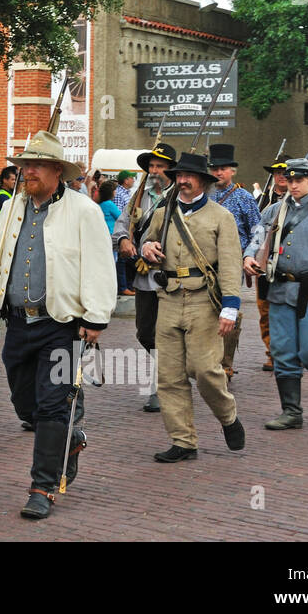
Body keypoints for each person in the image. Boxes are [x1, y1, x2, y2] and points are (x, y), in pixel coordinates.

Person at [0, 131, 113, 520]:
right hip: (17, 323)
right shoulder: (14, 208)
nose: (26, 171)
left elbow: (100, 267)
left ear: (57, 170)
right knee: (26, 405)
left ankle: (43, 487)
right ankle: (71, 438)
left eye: (34, 165)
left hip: (63, 325)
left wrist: (96, 317)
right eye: (23, 165)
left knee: (52, 407)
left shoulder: (84, 210)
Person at [139, 150, 246, 462]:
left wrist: (230, 307)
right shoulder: (163, 212)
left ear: (202, 181)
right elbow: (148, 242)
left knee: (204, 370)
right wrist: (147, 247)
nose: (181, 181)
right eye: (178, 176)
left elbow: (229, 264)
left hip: (203, 300)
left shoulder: (220, 217)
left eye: (188, 176)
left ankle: (227, 415)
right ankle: (183, 440)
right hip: (169, 298)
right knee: (169, 377)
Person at [243, 158, 308, 430]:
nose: (293, 185)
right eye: (290, 180)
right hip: (279, 290)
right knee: (283, 351)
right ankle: (291, 412)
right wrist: (248, 257)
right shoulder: (274, 211)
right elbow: (256, 239)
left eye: (299, 180)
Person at [113, 142, 177, 412]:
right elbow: (121, 224)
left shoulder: (180, 195)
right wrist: (125, 239)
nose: (154, 171)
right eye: (151, 166)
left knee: (167, 334)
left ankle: (161, 387)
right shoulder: (139, 195)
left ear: (171, 170)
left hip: (172, 276)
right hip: (144, 275)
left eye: (160, 166)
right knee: (145, 332)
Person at [208, 143, 261, 379]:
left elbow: (257, 231)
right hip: (201, 264)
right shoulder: (201, 195)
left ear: (232, 171)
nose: (218, 173)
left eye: (223, 168)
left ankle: (225, 363)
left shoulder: (244, 197)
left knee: (227, 311)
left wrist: (248, 255)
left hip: (230, 264)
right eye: (214, 168)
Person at [254, 158, 292, 372]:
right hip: (265, 265)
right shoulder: (263, 201)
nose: (281, 176)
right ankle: (272, 353)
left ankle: (290, 352)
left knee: (289, 312)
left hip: (289, 266)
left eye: (285, 172)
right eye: (277, 172)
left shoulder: (300, 200)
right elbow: (255, 231)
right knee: (265, 312)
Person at [97, 180, 126, 295]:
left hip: (103, 236)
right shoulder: (109, 204)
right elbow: (121, 217)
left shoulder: (100, 204)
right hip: (111, 236)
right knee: (112, 263)